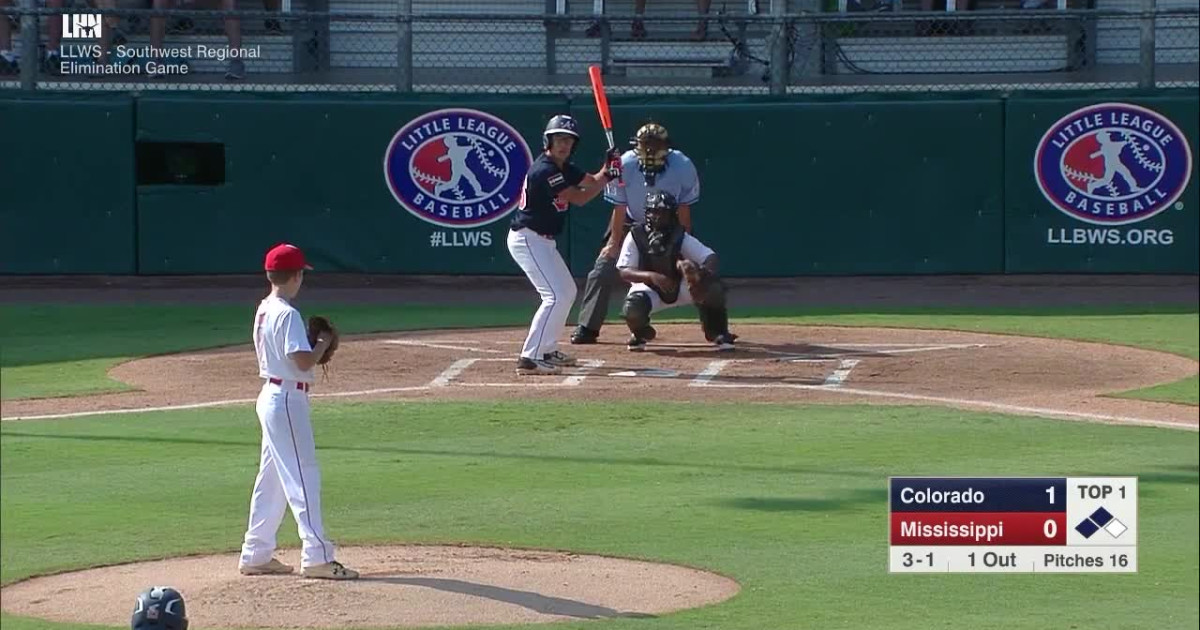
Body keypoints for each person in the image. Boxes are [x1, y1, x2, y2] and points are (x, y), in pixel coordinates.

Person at [239, 243, 358, 580]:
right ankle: (317, 556)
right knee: (304, 477)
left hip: (271, 396)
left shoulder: (264, 308)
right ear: (294, 276)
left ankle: (255, 553)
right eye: (302, 273)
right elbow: (302, 360)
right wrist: (322, 341)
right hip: (288, 401)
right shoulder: (287, 314)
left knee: (272, 480)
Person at [508, 114, 620, 376]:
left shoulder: (562, 166)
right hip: (528, 239)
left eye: (568, 140)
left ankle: (546, 349)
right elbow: (578, 198)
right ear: (548, 141)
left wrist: (608, 167)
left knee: (566, 291)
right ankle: (530, 357)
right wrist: (608, 179)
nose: (564, 145)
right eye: (559, 139)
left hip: (542, 241)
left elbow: (590, 181)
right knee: (554, 296)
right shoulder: (545, 170)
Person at [571, 122, 700, 345]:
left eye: (655, 145)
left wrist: (681, 243)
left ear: (666, 147)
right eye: (645, 145)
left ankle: (716, 329)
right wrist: (614, 243)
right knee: (603, 268)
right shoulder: (625, 164)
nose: (650, 150)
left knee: (695, 271)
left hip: (668, 226)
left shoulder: (683, 165)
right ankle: (587, 327)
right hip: (631, 222)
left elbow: (684, 209)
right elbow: (619, 207)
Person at [616, 190, 736, 351]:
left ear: (672, 215)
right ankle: (640, 333)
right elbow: (624, 271)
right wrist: (652, 276)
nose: (657, 217)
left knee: (713, 288)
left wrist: (701, 277)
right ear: (647, 214)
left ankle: (718, 332)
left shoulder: (679, 236)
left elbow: (710, 257)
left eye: (663, 213)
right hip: (649, 289)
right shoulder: (636, 235)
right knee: (633, 308)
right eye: (654, 212)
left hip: (682, 287)